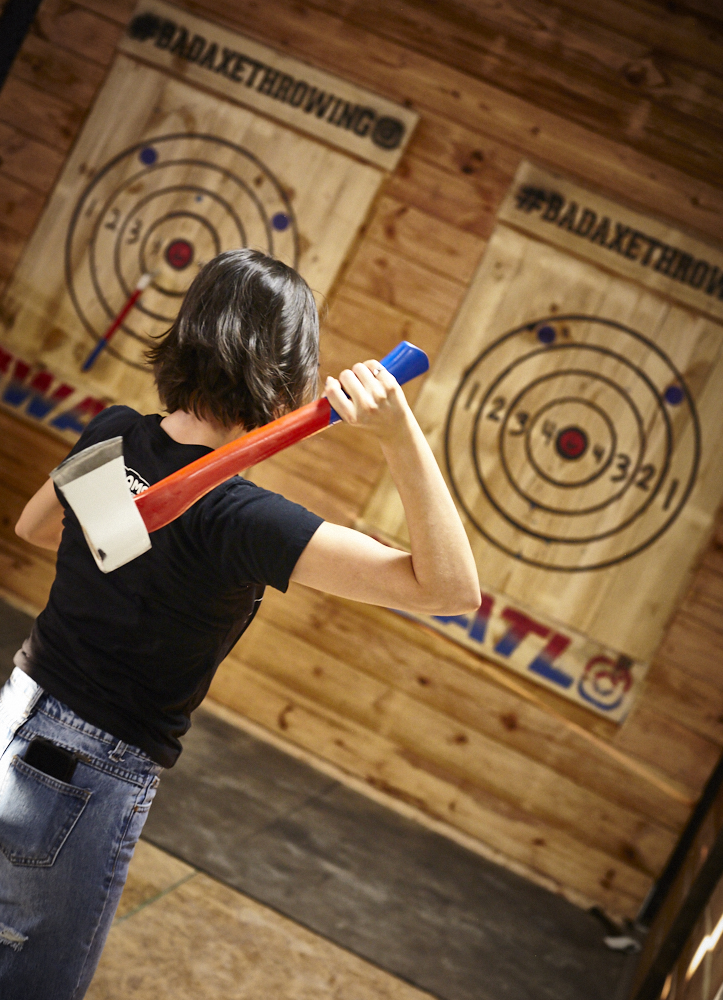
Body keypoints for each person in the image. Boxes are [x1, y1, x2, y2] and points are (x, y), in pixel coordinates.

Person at [1, 248, 479, 998]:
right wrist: (399, 435)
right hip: (83, 781)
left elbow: (36, 527)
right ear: (289, 376)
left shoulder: (115, 431)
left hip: (15, 718)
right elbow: (449, 589)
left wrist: (121, 528)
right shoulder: (244, 519)